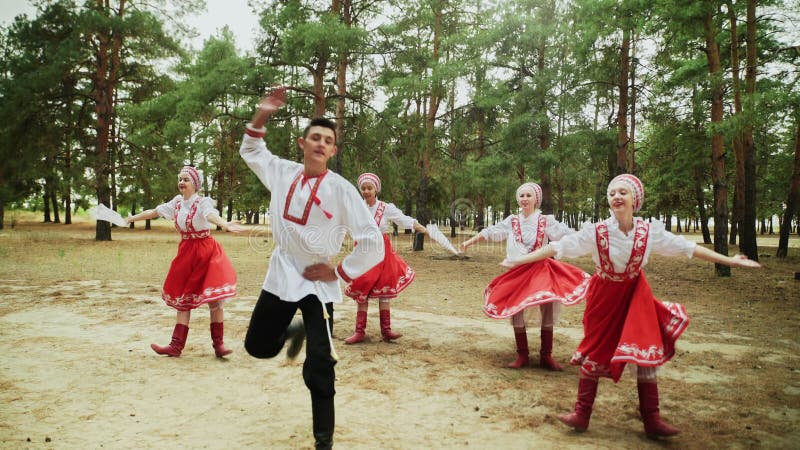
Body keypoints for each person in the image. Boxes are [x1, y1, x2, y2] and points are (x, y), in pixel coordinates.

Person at [502, 174, 761, 438]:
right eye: (612, 193)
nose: (616, 196)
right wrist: (521, 262)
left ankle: (652, 420)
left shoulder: (648, 232)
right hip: (603, 298)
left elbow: (688, 248)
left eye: (623, 192)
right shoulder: (597, 232)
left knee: (644, 351)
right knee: (596, 351)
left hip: (636, 297)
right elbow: (558, 247)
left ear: (635, 199)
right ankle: (581, 414)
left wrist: (729, 261)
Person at [239, 87, 384, 450]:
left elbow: (372, 242)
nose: (321, 144)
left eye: (328, 140)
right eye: (315, 137)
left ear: (333, 151)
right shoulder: (281, 172)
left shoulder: (343, 190)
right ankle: (294, 329)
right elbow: (251, 150)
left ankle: (323, 442)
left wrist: (340, 272)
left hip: (318, 284)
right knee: (258, 346)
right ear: (303, 143)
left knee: (321, 364)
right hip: (282, 272)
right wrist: (262, 113)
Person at [460, 182, 590, 370]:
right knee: (516, 307)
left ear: (536, 199)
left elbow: (567, 235)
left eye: (529, 195)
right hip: (518, 270)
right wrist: (468, 243)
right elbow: (490, 232)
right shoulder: (512, 221)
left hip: (541, 269)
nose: (524, 199)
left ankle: (547, 356)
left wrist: (588, 236)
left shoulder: (546, 221)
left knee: (547, 305)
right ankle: (522, 355)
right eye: (521, 196)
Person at [126, 165, 244, 358]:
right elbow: (154, 212)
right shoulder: (177, 203)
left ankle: (219, 345)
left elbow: (210, 215)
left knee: (215, 302)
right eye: (180, 179)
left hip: (207, 253)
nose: (181, 182)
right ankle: (175, 346)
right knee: (183, 299)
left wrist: (224, 224)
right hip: (186, 253)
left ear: (195, 184)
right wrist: (132, 218)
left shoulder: (203, 202)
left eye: (186, 179)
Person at [342, 172, 428, 344]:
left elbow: (403, 220)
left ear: (376, 190)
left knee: (384, 289)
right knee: (363, 289)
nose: (366, 191)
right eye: (363, 188)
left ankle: (386, 331)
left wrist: (423, 229)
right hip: (364, 252)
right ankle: (359, 332)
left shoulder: (386, 208)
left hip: (382, 253)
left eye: (369, 188)